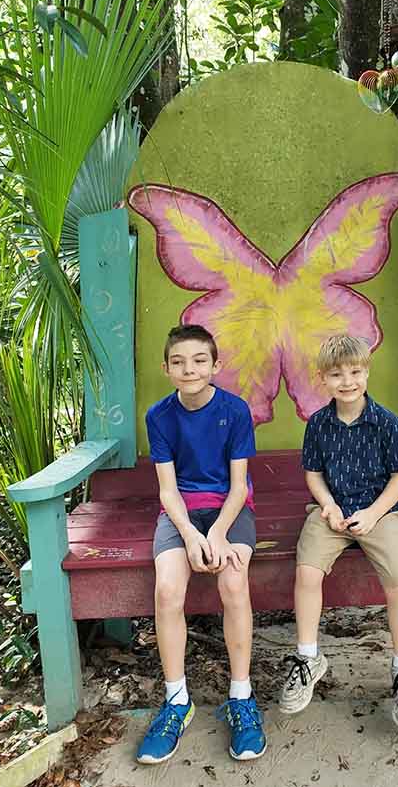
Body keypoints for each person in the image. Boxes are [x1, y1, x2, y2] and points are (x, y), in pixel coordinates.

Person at [136, 324, 266, 764]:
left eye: (198, 360)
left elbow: (237, 488)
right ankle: (176, 701)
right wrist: (190, 534)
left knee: (233, 582)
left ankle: (242, 698)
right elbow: (168, 491)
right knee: (168, 589)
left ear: (215, 365)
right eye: (178, 361)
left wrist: (215, 534)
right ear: (167, 368)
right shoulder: (159, 416)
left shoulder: (235, 410)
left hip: (229, 513)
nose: (189, 369)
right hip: (180, 516)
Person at [279, 334, 398, 731]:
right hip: (332, 513)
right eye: (337, 374)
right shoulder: (319, 424)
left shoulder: (386, 422)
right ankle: (308, 657)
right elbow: (314, 474)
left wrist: (375, 513)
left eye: (356, 372)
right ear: (323, 378)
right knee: (307, 571)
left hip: (381, 513)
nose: (347, 381)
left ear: (367, 372)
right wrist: (327, 505)